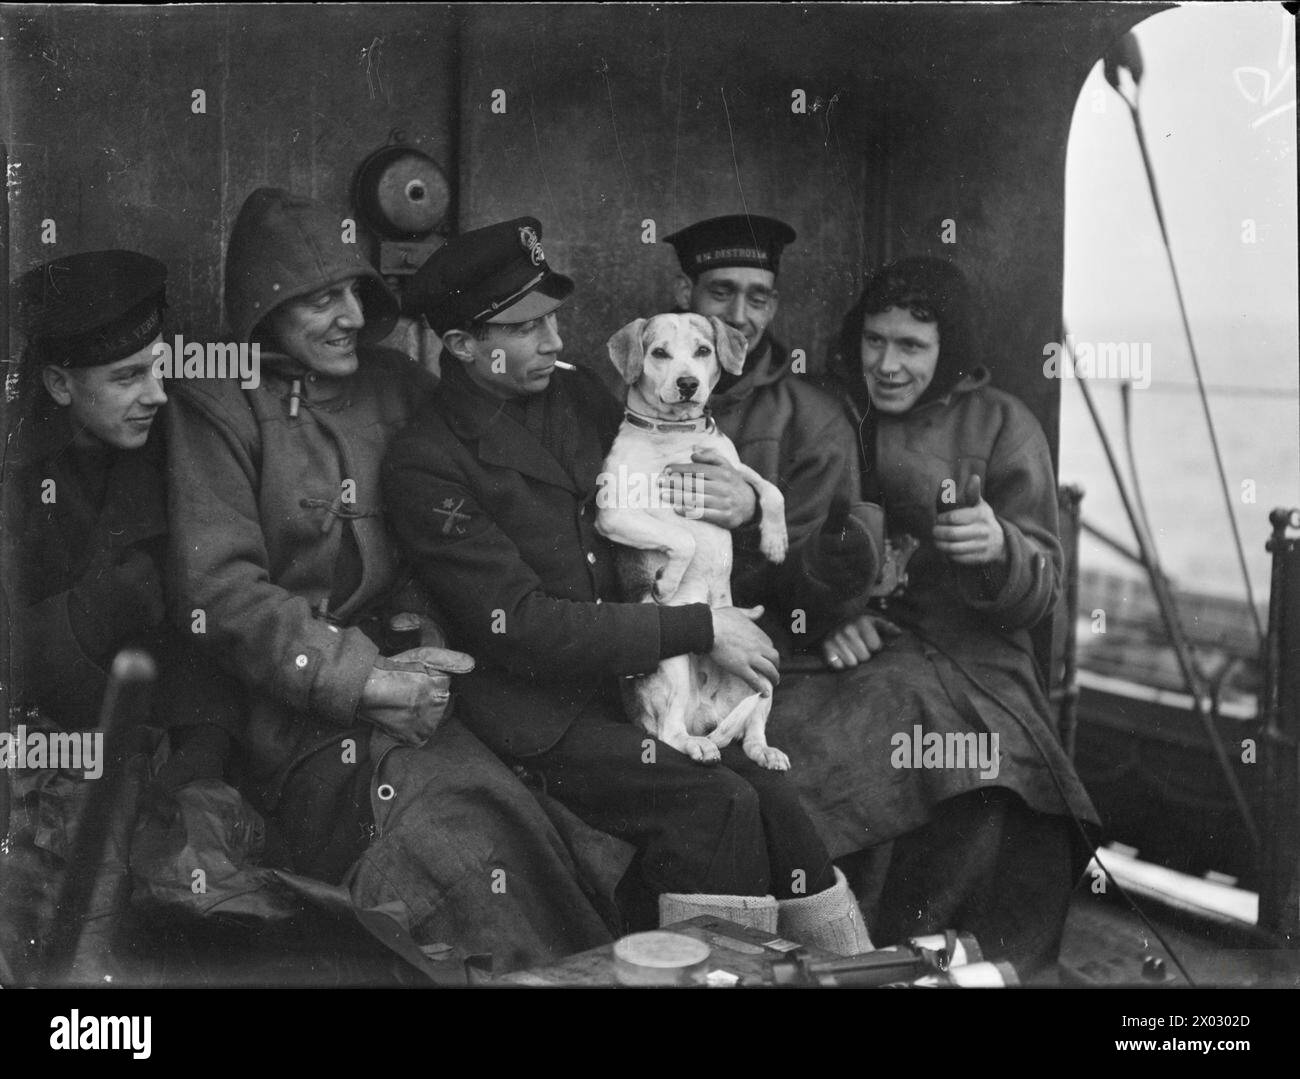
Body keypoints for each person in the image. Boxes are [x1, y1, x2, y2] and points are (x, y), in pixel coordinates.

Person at [382, 217, 871, 953]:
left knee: (776, 795)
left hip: (638, 671)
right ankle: (714, 978)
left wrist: (737, 501)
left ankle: (852, 968)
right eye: (527, 327)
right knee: (718, 802)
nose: (554, 340)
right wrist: (701, 630)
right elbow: (521, 623)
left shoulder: (575, 395)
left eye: (553, 318)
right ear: (461, 347)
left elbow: (663, 489)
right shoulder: (429, 460)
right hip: (542, 709)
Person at [165, 188, 621, 975]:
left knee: (539, 814)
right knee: (453, 833)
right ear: (261, 310)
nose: (347, 314)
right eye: (317, 299)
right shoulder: (215, 402)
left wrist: (428, 656)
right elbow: (220, 591)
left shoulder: (396, 382)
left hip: (441, 685)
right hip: (296, 720)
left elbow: (450, 536)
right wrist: (362, 678)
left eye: (354, 291)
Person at [792, 255, 1100, 977]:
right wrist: (837, 613)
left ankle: (933, 953)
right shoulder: (828, 412)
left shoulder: (1003, 425)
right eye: (875, 340)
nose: (887, 364)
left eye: (911, 346)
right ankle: (837, 950)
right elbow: (793, 546)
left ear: (948, 350)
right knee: (799, 742)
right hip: (852, 648)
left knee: (967, 758)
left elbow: (1044, 588)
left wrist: (1001, 547)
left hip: (976, 657)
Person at [0, 251, 230, 981]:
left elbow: (202, 632)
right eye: (129, 377)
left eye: (159, 368)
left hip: (164, 750)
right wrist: (91, 612)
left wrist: (201, 751)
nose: (157, 394)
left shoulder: (177, 453)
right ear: (61, 383)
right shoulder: (15, 481)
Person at [661, 215, 883, 653]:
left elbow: (812, 582)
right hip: (648, 632)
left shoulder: (814, 418)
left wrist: (755, 516)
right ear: (686, 292)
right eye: (721, 292)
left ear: (774, 306)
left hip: (762, 638)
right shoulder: (626, 397)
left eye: (757, 298)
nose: (739, 317)